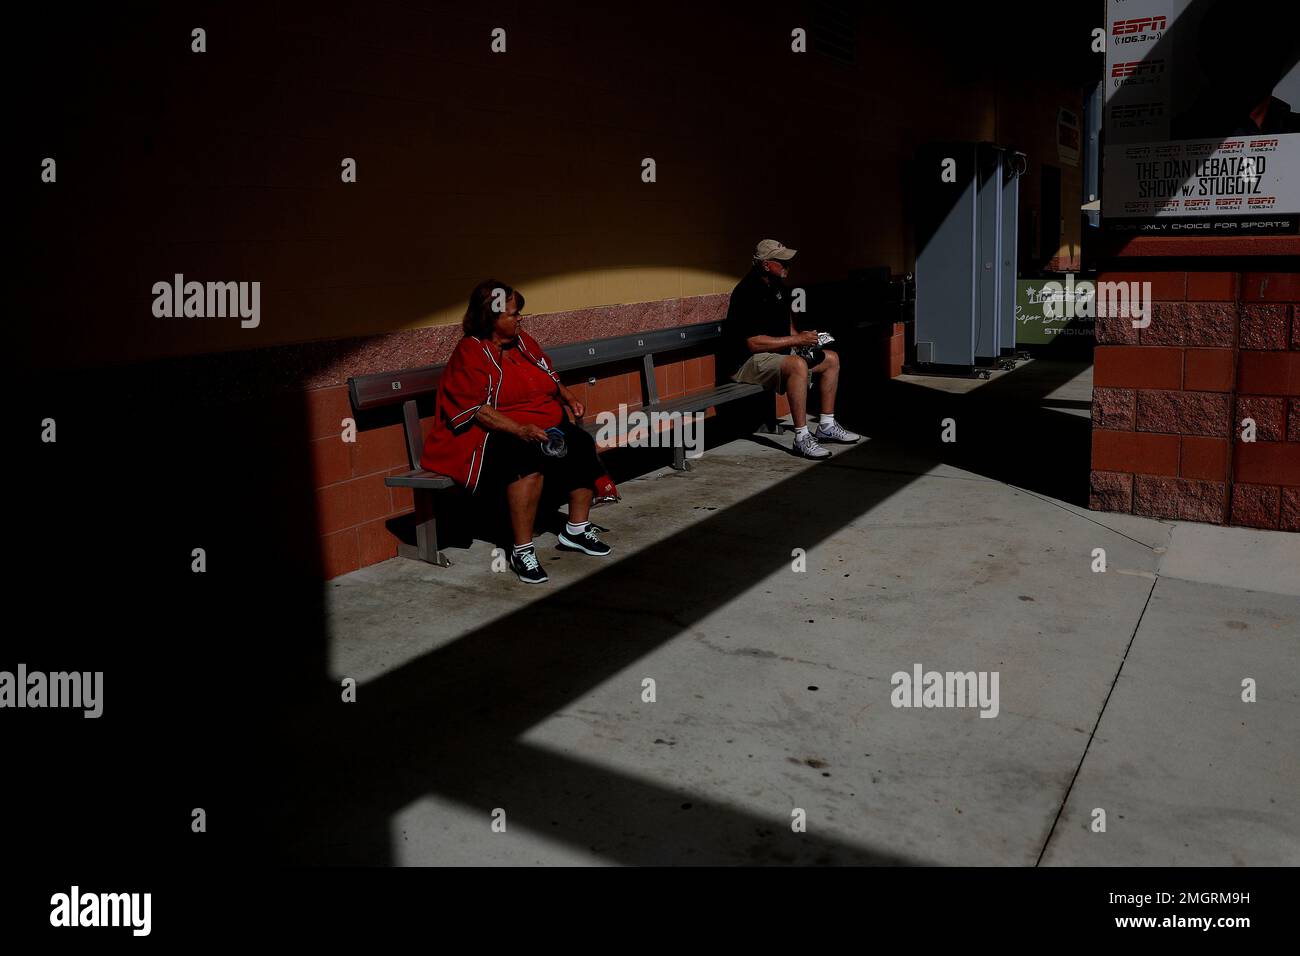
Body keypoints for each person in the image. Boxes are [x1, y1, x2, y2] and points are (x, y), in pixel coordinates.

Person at [421, 280, 611, 584]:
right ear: (491, 319)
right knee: (526, 460)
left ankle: (576, 529)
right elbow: (476, 409)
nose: (520, 318)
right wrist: (519, 429)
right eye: (513, 314)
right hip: (490, 435)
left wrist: (568, 396)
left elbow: (549, 376)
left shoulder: (524, 343)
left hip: (542, 426)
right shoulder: (471, 351)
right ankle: (522, 550)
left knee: (580, 443)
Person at [720, 239, 860, 460]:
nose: (788, 266)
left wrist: (808, 339)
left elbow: (790, 329)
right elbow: (753, 343)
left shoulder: (779, 288)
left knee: (831, 358)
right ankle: (802, 438)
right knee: (797, 365)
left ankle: (826, 424)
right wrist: (795, 342)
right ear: (766, 264)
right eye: (783, 262)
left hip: (773, 354)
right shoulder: (746, 291)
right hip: (745, 362)